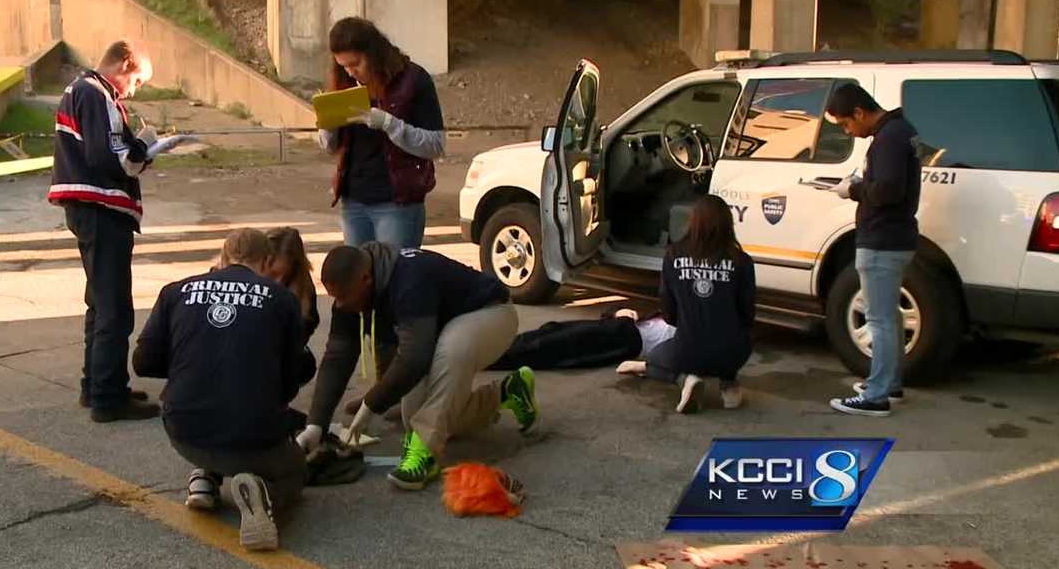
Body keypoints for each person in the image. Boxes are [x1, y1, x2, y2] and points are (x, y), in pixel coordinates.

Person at [294, 243, 538, 491]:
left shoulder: (410, 279)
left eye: (343, 297)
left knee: (453, 348)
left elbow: (415, 357)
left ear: (366, 279)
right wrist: (316, 424)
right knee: (418, 416)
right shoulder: (353, 291)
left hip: (491, 314)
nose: (339, 304)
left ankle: (426, 455)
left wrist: (372, 403)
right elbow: (338, 356)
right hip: (441, 329)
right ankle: (507, 392)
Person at [132, 229, 308, 551]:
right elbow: (294, 374)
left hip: (184, 431)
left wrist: (190, 366)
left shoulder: (176, 291)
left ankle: (204, 479)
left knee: (212, 396)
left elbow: (143, 362)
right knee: (295, 471)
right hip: (253, 437)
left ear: (222, 256)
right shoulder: (281, 299)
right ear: (267, 261)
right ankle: (263, 494)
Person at [47, 40, 188, 422]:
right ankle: (108, 397)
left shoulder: (80, 91)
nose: (134, 88)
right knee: (114, 309)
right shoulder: (97, 95)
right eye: (137, 80)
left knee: (99, 303)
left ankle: (95, 387)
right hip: (101, 208)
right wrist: (143, 146)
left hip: (86, 207)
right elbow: (112, 159)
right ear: (125, 64)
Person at [825, 84, 921, 417]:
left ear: (859, 113)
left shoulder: (889, 139)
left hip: (882, 240)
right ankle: (889, 384)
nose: (848, 131)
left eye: (846, 124)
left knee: (879, 320)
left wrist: (853, 189)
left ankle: (877, 395)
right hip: (894, 238)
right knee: (889, 317)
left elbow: (889, 190)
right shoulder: (899, 131)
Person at [319, 17, 445, 249]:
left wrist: (389, 124)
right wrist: (328, 126)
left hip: (397, 203)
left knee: (394, 276)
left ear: (373, 53)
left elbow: (435, 145)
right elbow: (331, 148)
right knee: (356, 279)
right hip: (352, 200)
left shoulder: (413, 80)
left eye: (355, 63)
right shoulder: (344, 82)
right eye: (343, 66)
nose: (351, 72)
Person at [639, 195, 756, 414]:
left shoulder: (672, 256)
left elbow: (668, 312)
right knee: (736, 339)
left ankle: (687, 379)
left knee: (654, 359)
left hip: (687, 351)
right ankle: (729, 385)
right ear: (727, 224)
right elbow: (747, 313)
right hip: (733, 353)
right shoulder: (742, 261)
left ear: (693, 222)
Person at [488, 308, 674, 372]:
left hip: (626, 339)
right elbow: (607, 313)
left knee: (551, 345)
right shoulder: (666, 312)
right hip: (619, 325)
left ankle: (492, 358)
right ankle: (490, 350)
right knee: (551, 330)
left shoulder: (692, 335)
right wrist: (618, 312)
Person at [265, 226, 319, 385]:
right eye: (273, 274)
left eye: (285, 276)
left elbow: (305, 330)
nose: (279, 282)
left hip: (274, 351)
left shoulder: (304, 287)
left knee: (303, 364)